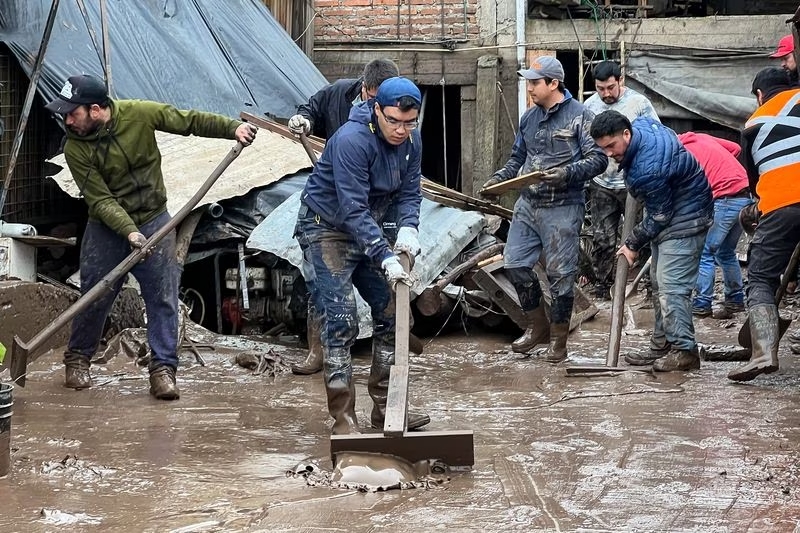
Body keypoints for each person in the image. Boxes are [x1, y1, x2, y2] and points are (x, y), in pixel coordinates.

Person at [44, 74, 257, 399]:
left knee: (163, 297)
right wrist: (129, 232)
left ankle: (163, 370)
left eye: (73, 112)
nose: (67, 119)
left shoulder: (139, 114)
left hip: (154, 221)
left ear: (97, 110)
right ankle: (77, 359)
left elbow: (188, 121)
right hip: (107, 229)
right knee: (95, 297)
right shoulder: (75, 147)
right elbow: (100, 199)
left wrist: (232, 129)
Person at [294, 77, 430, 434]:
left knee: (393, 311)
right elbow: (352, 209)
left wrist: (409, 228)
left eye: (409, 122)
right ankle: (343, 418)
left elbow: (410, 191)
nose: (401, 130)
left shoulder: (411, 141)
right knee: (341, 319)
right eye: (393, 121)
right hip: (327, 227)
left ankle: (387, 410)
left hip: (369, 223)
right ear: (376, 110)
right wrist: (384, 256)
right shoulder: (352, 141)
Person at [480, 56, 607, 362]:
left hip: (563, 206)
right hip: (528, 203)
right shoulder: (529, 118)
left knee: (560, 275)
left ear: (553, 84)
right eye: (529, 83)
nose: (530, 89)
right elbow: (517, 159)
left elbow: (599, 160)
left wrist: (567, 173)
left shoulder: (581, 117)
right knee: (515, 265)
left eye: (535, 83)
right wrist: (499, 179)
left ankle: (558, 341)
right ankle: (537, 326)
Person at [286, 58, 400, 376]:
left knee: (387, 300)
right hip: (329, 212)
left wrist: (403, 231)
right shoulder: (339, 95)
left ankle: (387, 400)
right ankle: (318, 351)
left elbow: (404, 186)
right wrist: (304, 121)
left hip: (366, 211)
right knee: (324, 289)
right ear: (364, 90)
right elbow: (311, 107)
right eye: (375, 101)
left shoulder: (399, 122)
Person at [590, 111, 712, 371]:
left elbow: (659, 215)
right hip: (676, 211)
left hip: (685, 219)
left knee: (671, 288)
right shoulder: (642, 126)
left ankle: (684, 351)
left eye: (611, 146)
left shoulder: (648, 168)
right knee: (658, 283)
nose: (609, 154)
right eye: (603, 149)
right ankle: (662, 345)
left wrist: (632, 243)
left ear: (626, 134)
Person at [728, 67, 800, 382]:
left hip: (782, 207)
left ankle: (763, 354)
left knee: (760, 278)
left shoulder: (754, 124)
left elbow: (754, 185)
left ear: (759, 95)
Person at [583, 60, 659, 300]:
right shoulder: (589, 106)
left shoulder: (639, 103)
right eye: (600, 88)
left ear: (620, 81)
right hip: (602, 183)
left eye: (610, 88)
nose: (606, 94)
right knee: (602, 238)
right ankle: (603, 287)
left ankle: (648, 287)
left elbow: (654, 135)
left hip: (633, 182)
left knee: (643, 235)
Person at [676, 132, 752, 319]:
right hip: (745, 197)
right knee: (725, 252)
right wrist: (721, 167)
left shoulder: (681, 152)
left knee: (705, 252)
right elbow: (736, 148)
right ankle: (735, 300)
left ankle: (702, 303)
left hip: (725, 199)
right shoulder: (701, 137)